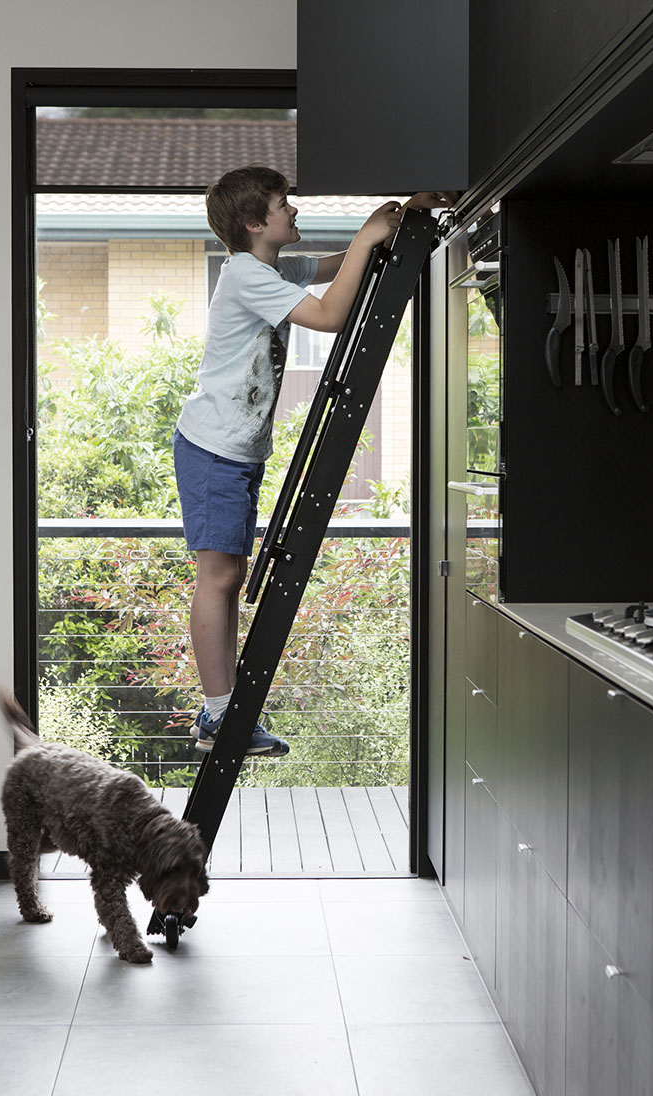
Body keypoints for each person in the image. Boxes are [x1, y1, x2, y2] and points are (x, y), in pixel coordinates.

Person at [173, 165, 449, 755]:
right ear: (255, 222)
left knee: (228, 578)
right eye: (284, 205)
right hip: (213, 449)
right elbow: (329, 315)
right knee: (217, 579)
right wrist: (373, 234)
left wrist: (401, 213)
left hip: (231, 450)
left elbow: (335, 270)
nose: (294, 212)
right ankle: (218, 715)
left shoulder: (267, 267)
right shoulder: (246, 274)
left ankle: (219, 710)